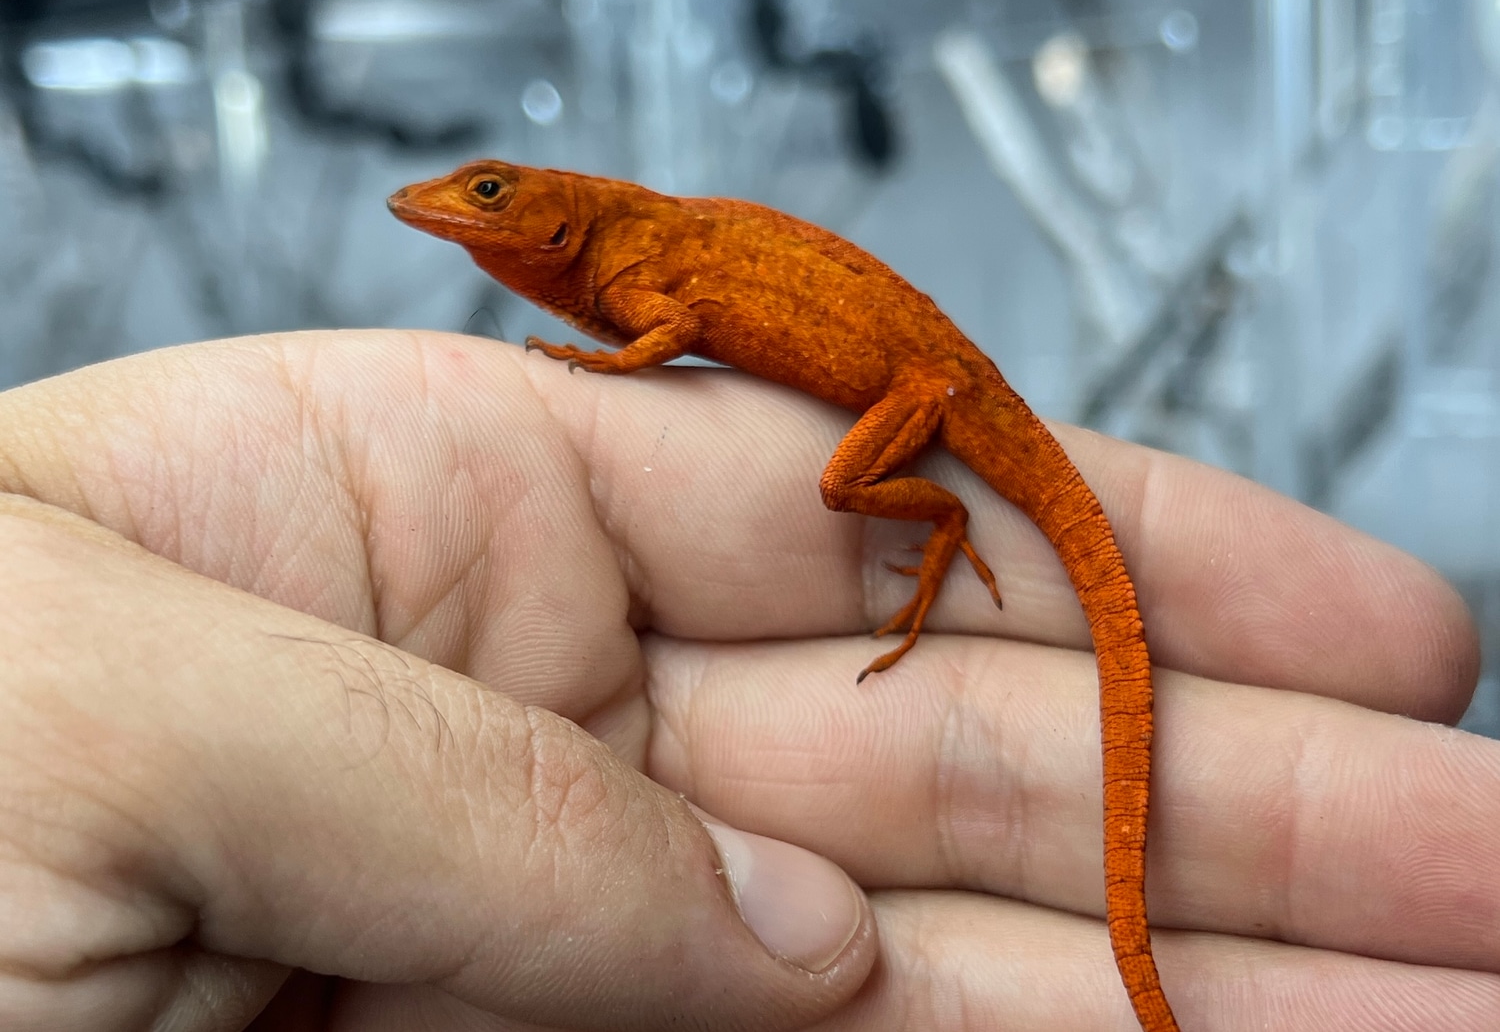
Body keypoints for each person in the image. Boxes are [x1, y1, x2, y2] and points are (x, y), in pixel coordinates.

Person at [0, 330, 1494, 1032]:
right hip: (923, 382)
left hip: (935, 395)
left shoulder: (641, 263)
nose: (456, 214)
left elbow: (669, 335)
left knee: (877, 501)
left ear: (560, 215)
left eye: (495, 195)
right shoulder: (631, 261)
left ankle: (946, 526)